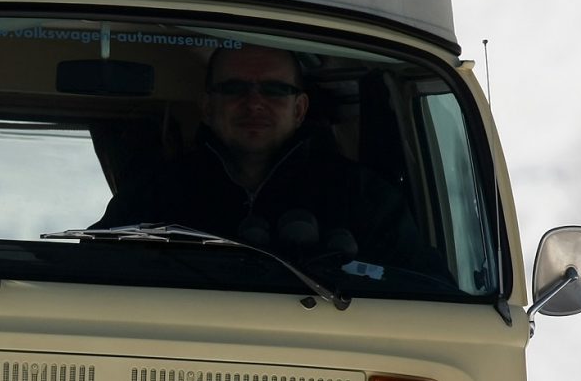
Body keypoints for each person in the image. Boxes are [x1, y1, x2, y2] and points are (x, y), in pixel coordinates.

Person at [97, 44, 436, 275]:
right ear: (208, 107)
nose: (254, 103)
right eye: (234, 89)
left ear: (300, 109)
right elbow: (93, 269)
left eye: (274, 90)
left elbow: (427, 293)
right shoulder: (154, 191)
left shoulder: (363, 196)